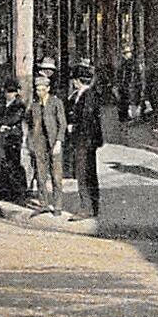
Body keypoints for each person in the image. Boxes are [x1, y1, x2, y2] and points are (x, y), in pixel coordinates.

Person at [26, 70, 67, 215]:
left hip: (53, 143)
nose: (40, 92)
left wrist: (59, 142)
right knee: (41, 175)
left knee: (56, 176)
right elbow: (30, 125)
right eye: (38, 90)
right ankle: (43, 203)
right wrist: (30, 143)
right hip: (39, 144)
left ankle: (57, 206)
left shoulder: (56, 103)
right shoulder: (34, 106)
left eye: (43, 90)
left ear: (48, 89)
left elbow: (62, 124)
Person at [67, 63, 105, 218]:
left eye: (74, 80)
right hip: (88, 141)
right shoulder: (84, 94)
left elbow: (86, 120)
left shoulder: (86, 96)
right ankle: (93, 207)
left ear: (77, 80)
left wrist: (72, 127)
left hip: (84, 141)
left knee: (83, 174)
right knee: (89, 173)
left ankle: (86, 208)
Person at [0, 78, 28, 203]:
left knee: (14, 164)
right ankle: (6, 192)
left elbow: (15, 118)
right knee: (4, 164)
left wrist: (1, 122)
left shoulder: (19, 104)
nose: (9, 94)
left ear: (16, 93)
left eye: (11, 92)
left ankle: (19, 192)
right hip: (3, 137)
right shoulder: (3, 104)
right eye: (7, 92)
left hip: (13, 137)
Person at [115, 47, 137, 124]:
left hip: (123, 84)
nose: (130, 54)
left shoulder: (124, 62)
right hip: (124, 84)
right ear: (125, 54)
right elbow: (123, 75)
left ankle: (123, 116)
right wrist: (123, 84)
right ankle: (123, 117)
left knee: (124, 100)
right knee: (123, 100)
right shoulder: (124, 62)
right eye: (129, 53)